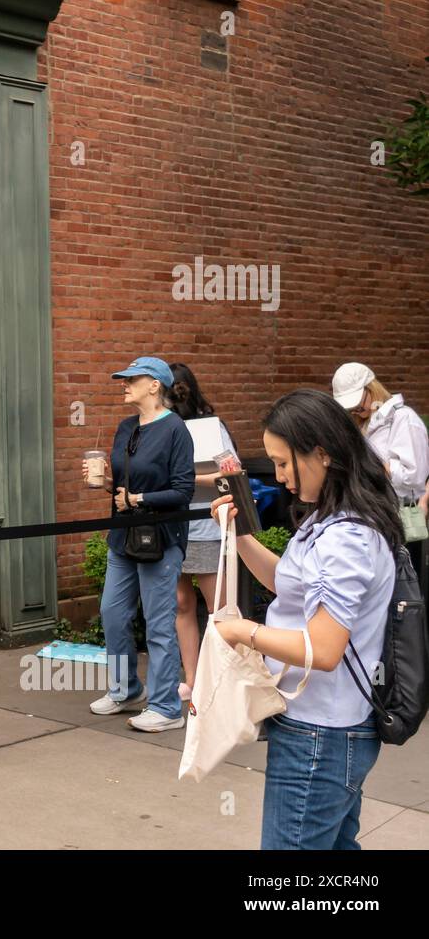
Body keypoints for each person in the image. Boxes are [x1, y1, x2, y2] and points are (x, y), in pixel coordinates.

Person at [211, 388, 400, 849]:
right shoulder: (332, 519)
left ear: (322, 454)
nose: (277, 477)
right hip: (327, 727)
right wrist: (239, 539)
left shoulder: (346, 537)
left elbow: (324, 649)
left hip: (320, 733)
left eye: (282, 462)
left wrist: (242, 632)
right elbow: (290, 587)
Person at [84, 357, 194, 732]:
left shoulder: (175, 429)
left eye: (133, 378)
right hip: (123, 535)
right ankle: (126, 690)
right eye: (123, 378)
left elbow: (183, 490)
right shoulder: (126, 427)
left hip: (161, 538)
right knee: (112, 613)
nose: (124, 383)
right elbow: (122, 481)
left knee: (159, 624)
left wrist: (138, 500)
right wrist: (103, 484)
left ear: (155, 386)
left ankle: (166, 708)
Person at [168, 363, 238, 700]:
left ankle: (224, 679)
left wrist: (184, 481)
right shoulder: (160, 430)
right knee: (182, 604)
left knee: (218, 610)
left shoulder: (212, 429)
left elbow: (232, 474)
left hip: (207, 527)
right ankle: (193, 680)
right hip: (174, 529)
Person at [332, 363, 428, 599]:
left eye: (357, 401)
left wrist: (375, 464)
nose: (355, 408)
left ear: (371, 388)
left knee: (400, 591)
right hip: (372, 516)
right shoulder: (366, 424)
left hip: (400, 518)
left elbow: (414, 476)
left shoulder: (403, 419)